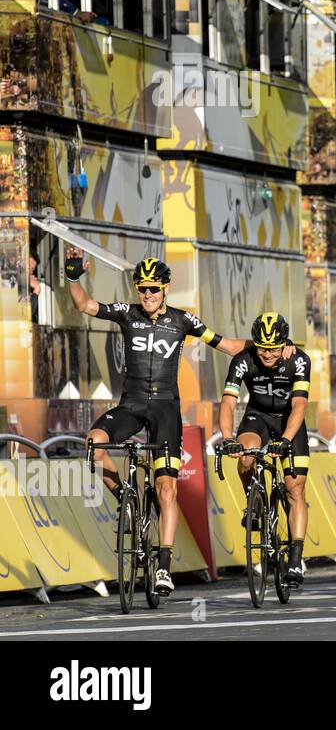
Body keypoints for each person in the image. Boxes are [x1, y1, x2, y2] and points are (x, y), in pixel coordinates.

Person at [65, 250, 252, 596]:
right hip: (132, 404)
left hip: (166, 409)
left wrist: (269, 346)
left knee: (167, 489)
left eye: (153, 288)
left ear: (166, 288)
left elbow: (226, 345)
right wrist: (74, 277)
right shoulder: (128, 313)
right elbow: (86, 306)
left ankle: (164, 567)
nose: (147, 295)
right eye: (142, 289)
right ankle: (124, 496)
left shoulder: (184, 321)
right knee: (94, 444)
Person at [217, 313, 312, 585]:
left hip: (289, 420)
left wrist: (285, 440)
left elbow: (300, 406)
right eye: (261, 347)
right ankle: (253, 501)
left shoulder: (299, 360)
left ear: (284, 344)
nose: (267, 354)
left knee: (295, 488)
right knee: (246, 457)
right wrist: (226, 437)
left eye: (273, 348)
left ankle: (295, 558)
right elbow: (228, 401)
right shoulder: (243, 360)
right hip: (257, 416)